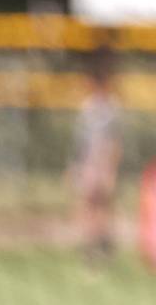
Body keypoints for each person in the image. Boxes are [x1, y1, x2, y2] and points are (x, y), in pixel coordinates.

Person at [71, 47, 123, 266]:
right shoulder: (88, 107)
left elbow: (114, 143)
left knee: (102, 207)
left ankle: (102, 247)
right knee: (87, 206)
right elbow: (81, 143)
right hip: (87, 164)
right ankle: (91, 248)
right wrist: (76, 166)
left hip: (102, 164)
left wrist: (109, 170)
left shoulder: (110, 108)